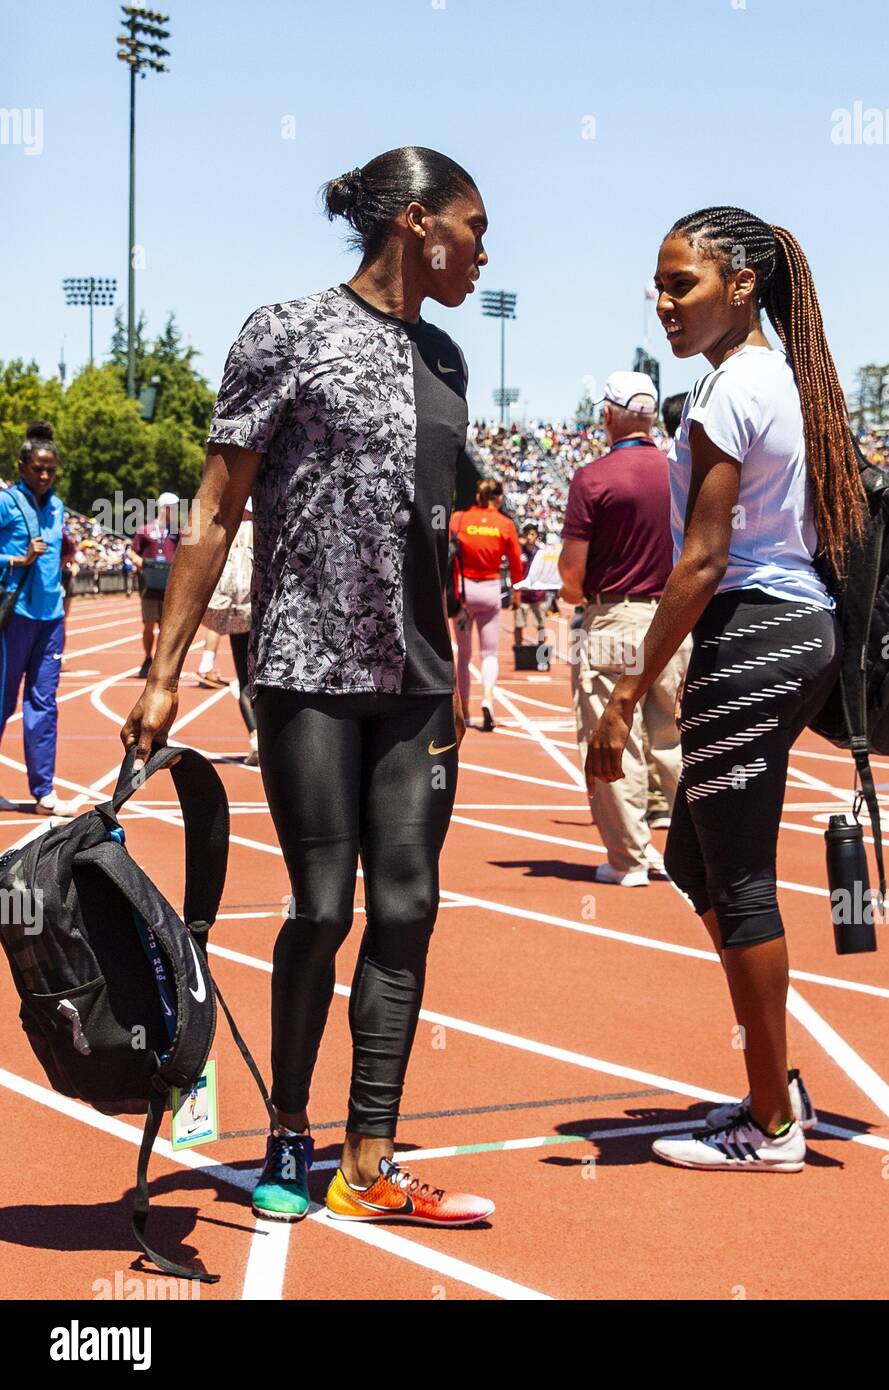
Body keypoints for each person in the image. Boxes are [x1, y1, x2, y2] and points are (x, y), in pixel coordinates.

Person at [122, 145, 495, 1228]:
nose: (481, 251)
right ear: (419, 222)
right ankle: (289, 1127)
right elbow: (216, 505)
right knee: (323, 907)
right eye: (474, 226)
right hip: (308, 667)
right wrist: (161, 675)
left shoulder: (450, 361)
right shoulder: (283, 330)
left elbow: (433, 505)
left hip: (420, 675)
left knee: (409, 906)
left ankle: (369, 1157)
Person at [586, 207, 867, 1171]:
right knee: (699, 865)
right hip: (786, 633)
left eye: (680, 285)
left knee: (740, 879)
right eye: (658, 285)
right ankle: (769, 1086)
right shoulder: (772, 378)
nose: (661, 302)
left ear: (742, 285)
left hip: (754, 632)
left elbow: (702, 559)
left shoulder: (726, 393)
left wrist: (627, 693)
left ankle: (773, 1124)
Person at [561, 370, 690, 886]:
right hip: (676, 619)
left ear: (609, 415)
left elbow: (572, 573)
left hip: (614, 617)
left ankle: (629, 859)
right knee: (673, 737)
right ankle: (696, 849)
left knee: (612, 738)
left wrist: (576, 595)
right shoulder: (681, 473)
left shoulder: (593, 478)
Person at [0, 423, 80, 816]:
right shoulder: (6, 503)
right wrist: (15, 560)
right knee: (1, 702)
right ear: (22, 466)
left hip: (51, 616)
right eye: (37, 468)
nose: (44, 476)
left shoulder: (59, 505)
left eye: (50, 469)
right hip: (13, 617)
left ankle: (44, 791)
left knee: (44, 704)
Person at [450, 478, 522, 730]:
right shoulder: (505, 524)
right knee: (489, 653)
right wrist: (516, 592)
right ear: (499, 499)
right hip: (490, 591)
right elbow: (515, 562)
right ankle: (488, 699)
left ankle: (464, 711)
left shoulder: (459, 519)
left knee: (463, 656)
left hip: (464, 594)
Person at [200, 496, 257, 763]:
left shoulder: (232, 533)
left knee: (245, 681)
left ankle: (256, 737)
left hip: (237, 614)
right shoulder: (265, 529)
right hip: (263, 612)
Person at [130, 491, 181, 679]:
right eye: (171, 507)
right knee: (149, 623)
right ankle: (147, 658)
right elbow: (133, 552)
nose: (174, 511)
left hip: (169, 584)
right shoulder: (144, 530)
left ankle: (161, 661)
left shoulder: (178, 533)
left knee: (166, 626)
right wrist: (142, 564)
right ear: (162, 508)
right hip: (149, 584)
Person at [514, 522, 549, 645]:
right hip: (522, 595)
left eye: (532, 534)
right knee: (519, 624)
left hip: (538, 595)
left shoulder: (542, 553)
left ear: (537, 536)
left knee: (541, 625)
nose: (529, 536)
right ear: (524, 535)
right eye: (527, 533)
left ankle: (541, 654)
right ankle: (519, 650)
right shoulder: (518, 552)